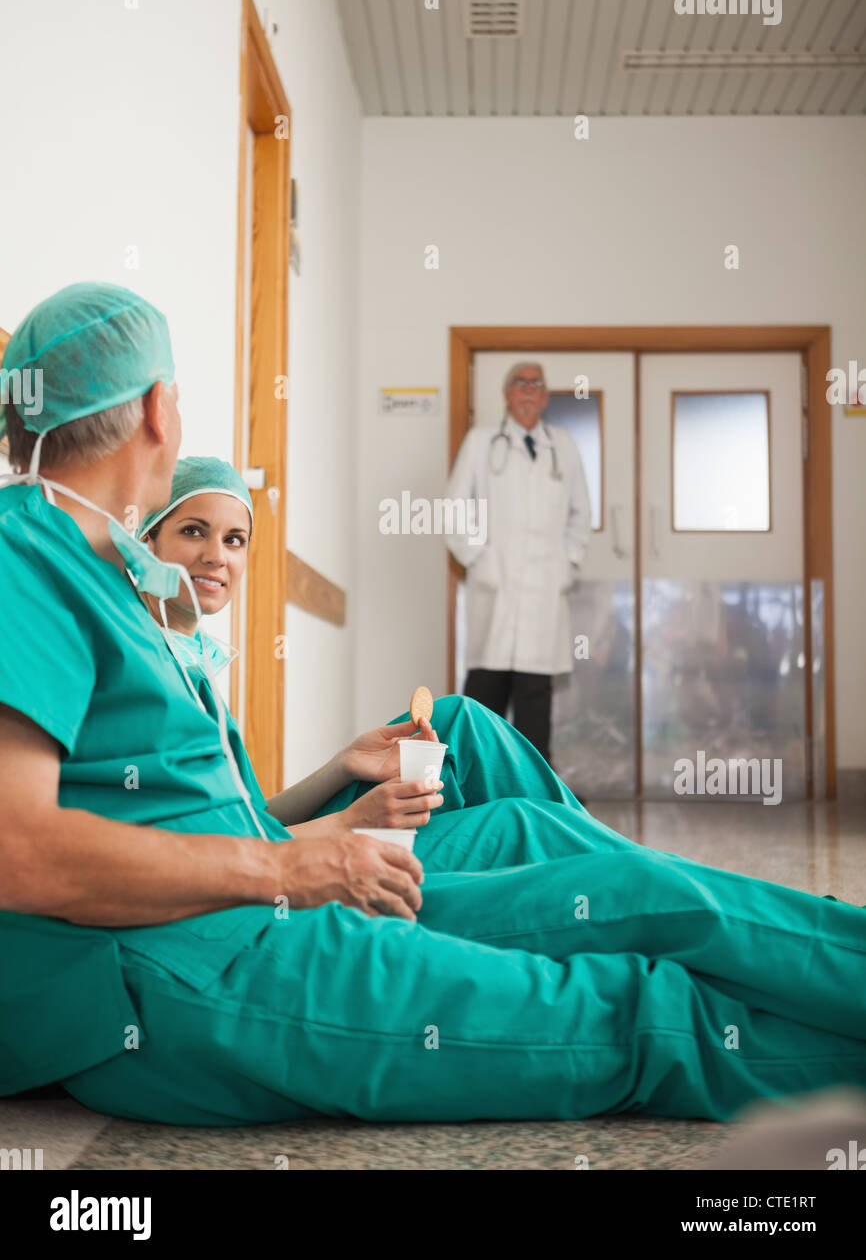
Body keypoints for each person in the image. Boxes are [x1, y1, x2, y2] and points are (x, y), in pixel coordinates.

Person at [1, 283, 864, 1128]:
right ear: (159, 410)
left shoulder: (104, 578)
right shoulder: (26, 556)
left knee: (634, 893)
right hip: (189, 965)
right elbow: (20, 852)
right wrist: (297, 866)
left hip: (247, 912)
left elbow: (178, 809)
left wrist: (312, 854)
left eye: (232, 538)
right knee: (641, 1011)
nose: (215, 555)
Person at [445, 361, 591, 764]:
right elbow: (454, 511)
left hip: (545, 594)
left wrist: (566, 565)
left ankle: (534, 801)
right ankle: (471, 789)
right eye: (519, 383)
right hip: (494, 589)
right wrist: (479, 559)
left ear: (545, 396)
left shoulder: (564, 446)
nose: (528, 390)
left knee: (534, 709)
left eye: (536, 384)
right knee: (483, 702)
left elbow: (581, 515)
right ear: (507, 394)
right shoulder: (480, 442)